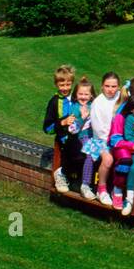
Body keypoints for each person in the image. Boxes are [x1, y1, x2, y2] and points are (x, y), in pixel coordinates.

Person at [43, 63, 79, 193]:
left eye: (68, 84)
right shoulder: (54, 102)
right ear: (56, 85)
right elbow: (47, 128)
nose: (65, 88)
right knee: (76, 151)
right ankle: (61, 173)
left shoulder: (77, 97)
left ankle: (79, 182)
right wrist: (62, 123)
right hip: (65, 139)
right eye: (61, 85)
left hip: (80, 135)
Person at [90, 72, 123, 206]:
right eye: (107, 86)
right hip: (99, 140)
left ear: (118, 87)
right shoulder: (98, 102)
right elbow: (97, 128)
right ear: (102, 86)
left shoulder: (121, 97)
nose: (110, 89)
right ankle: (101, 189)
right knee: (108, 159)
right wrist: (110, 142)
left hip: (116, 138)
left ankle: (119, 190)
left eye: (114, 86)